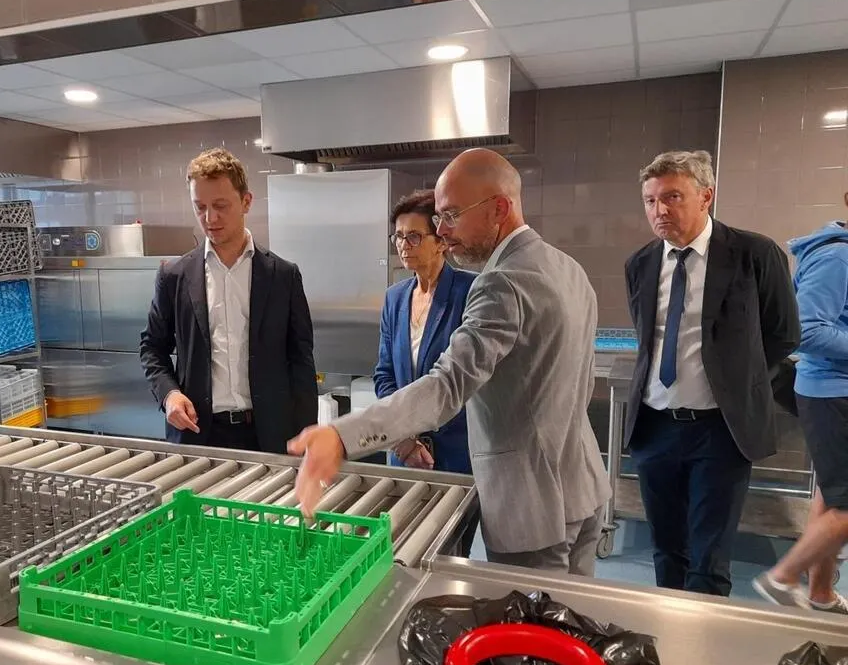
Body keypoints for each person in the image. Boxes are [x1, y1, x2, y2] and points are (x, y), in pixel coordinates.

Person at [289, 148, 611, 576]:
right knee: (569, 631)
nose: (443, 230)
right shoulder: (569, 269)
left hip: (533, 508)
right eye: (439, 218)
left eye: (452, 215)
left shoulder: (500, 283)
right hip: (583, 488)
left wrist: (343, 436)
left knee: (531, 634)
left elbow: (447, 385)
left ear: (499, 208)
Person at [624, 150, 799, 597]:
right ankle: (667, 636)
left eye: (672, 197)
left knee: (709, 559)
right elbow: (649, 338)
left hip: (720, 431)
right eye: (649, 200)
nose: (659, 210)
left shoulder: (754, 254)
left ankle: (702, 651)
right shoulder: (640, 264)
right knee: (666, 551)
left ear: (706, 197)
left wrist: (742, 384)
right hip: (655, 426)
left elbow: (783, 334)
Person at [139, 147, 317, 453]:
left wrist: (307, 435)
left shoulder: (283, 276)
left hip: (269, 435)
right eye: (200, 207)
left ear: (246, 201)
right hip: (197, 434)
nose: (210, 218)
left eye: (221, 205)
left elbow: (301, 360)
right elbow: (152, 348)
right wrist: (169, 395)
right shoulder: (174, 276)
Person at [755, 204, 848, 613]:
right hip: (834, 392)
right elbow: (806, 330)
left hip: (833, 390)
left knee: (829, 498)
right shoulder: (838, 255)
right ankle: (783, 577)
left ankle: (821, 593)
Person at [375, 189, 475, 474]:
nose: (403, 245)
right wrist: (403, 438)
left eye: (414, 237)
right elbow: (384, 374)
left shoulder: (470, 291)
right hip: (404, 452)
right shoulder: (395, 298)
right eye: (398, 237)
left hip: (456, 452)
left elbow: (469, 381)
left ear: (441, 241)